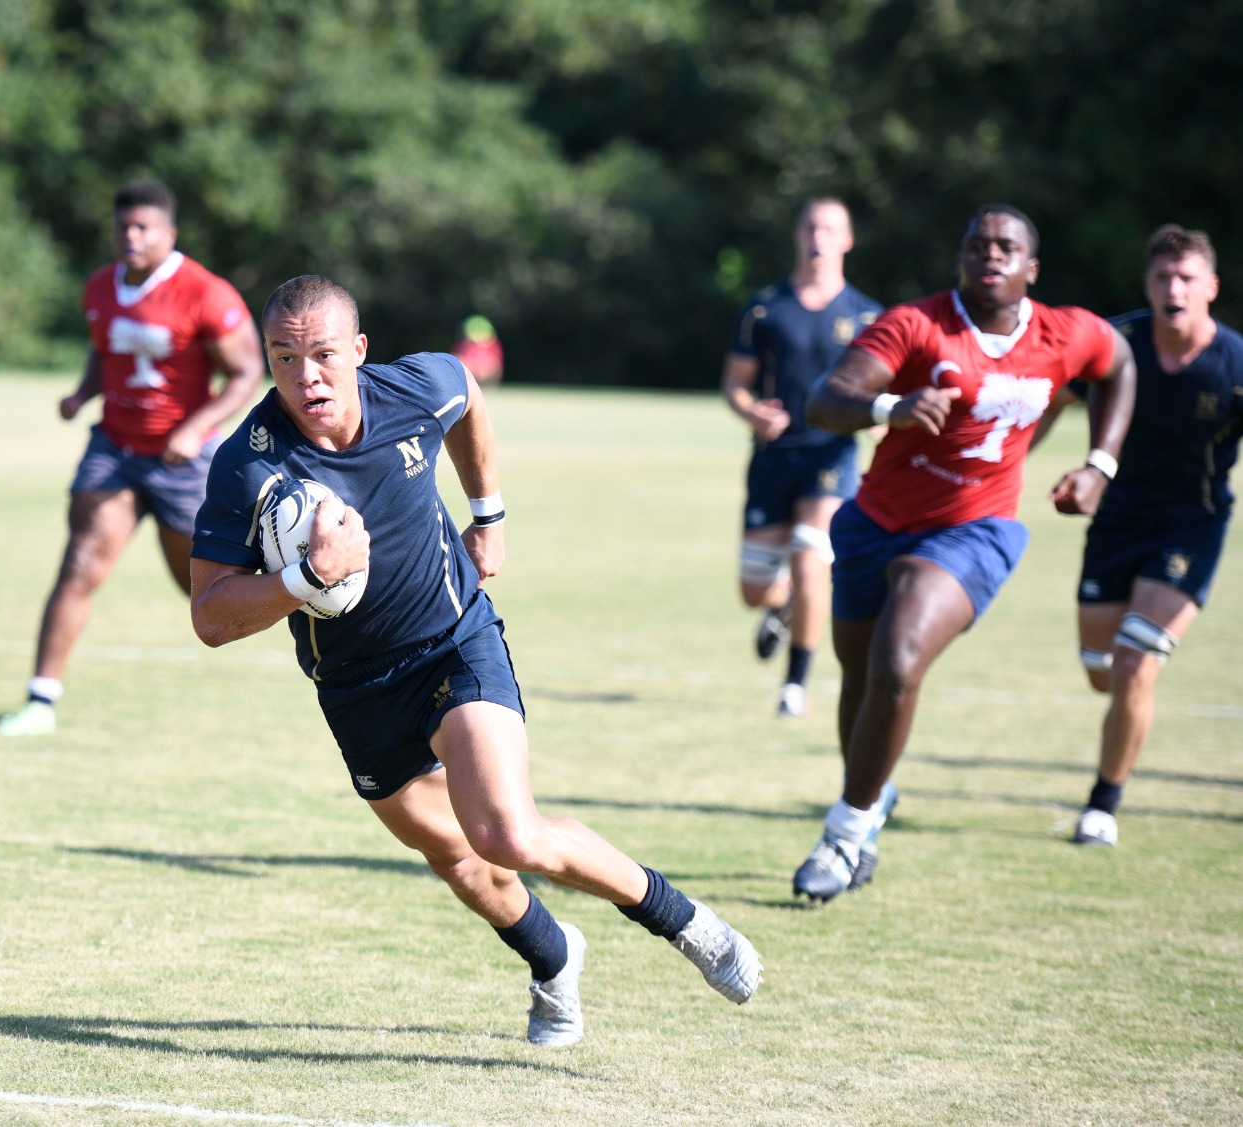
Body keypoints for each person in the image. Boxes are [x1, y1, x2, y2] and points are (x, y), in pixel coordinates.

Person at [190, 275, 760, 1044]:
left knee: (505, 834)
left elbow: (467, 395)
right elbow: (210, 617)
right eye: (283, 357)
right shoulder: (246, 465)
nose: (305, 377)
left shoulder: (415, 386)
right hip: (355, 688)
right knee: (457, 859)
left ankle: (685, 921)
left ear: (358, 351)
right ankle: (554, 956)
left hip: (454, 639)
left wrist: (486, 512)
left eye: (322, 354)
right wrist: (305, 579)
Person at [791, 205, 1135, 902]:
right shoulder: (915, 324)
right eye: (976, 245)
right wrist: (892, 406)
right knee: (861, 683)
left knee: (896, 657)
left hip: (974, 529)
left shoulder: (1064, 332)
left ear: (1030, 268)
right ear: (958, 259)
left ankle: (843, 832)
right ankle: (871, 799)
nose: (990, 255)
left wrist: (1100, 463)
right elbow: (825, 400)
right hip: (873, 522)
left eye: (1006, 247)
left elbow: (1117, 363)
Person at [0, 181, 263, 736]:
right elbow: (104, 350)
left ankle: (293, 623)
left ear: (169, 233)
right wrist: (82, 392)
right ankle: (40, 700)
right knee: (82, 558)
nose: (132, 237)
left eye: (144, 228)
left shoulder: (205, 293)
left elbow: (247, 372)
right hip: (114, 448)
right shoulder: (99, 287)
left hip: (181, 460)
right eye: (123, 227)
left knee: (199, 586)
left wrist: (195, 429)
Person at [1059, 226, 1243, 847]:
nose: (1174, 288)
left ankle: (1101, 807)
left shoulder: (1235, 364)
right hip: (1115, 521)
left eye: (1187, 277)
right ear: (1147, 284)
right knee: (1101, 670)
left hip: (1190, 525)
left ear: (1210, 288)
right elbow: (1055, 386)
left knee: (1135, 665)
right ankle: (1129, 716)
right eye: (1163, 277)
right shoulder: (1118, 343)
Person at [720, 197, 883, 717]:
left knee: (813, 566)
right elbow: (735, 384)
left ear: (848, 240)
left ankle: (795, 685)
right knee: (754, 591)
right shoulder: (766, 308)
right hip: (772, 460)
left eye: (831, 228)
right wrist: (753, 414)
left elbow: (882, 390)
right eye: (812, 226)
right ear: (797, 234)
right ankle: (784, 605)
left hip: (831, 457)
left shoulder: (867, 315)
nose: (820, 237)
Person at [450, 315, 504, 384]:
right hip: (470, 371)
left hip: (485, 372)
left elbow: (496, 363)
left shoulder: (492, 345)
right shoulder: (464, 344)